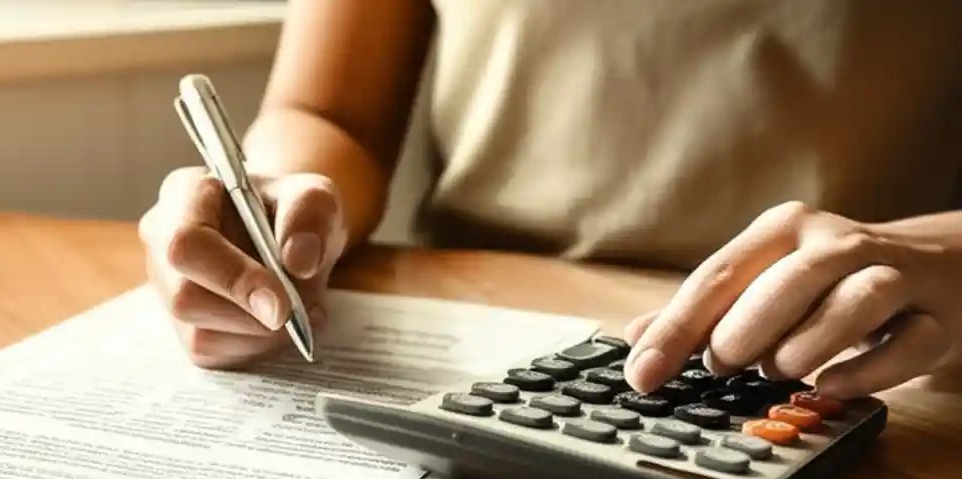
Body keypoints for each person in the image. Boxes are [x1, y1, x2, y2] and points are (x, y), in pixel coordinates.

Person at [137, 1, 962, 399]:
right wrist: (276, 201)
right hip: (469, 353)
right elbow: (328, 114)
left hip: (853, 368)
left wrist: (941, 256)